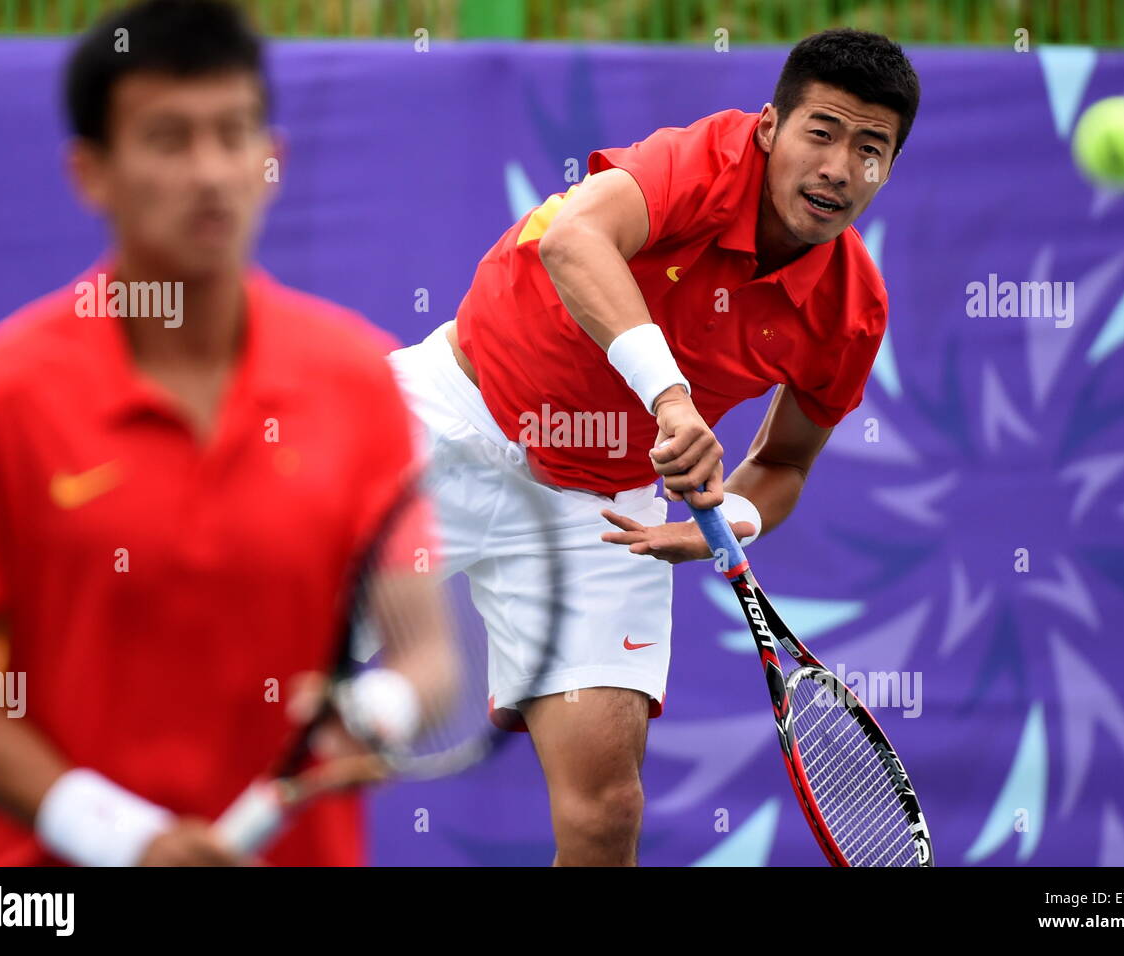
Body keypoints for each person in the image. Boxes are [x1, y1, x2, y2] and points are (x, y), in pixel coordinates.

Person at [0, 0, 447, 867]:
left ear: (270, 161)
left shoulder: (358, 378)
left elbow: (427, 653)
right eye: (170, 139)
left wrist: (381, 710)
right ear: (92, 172)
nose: (211, 172)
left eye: (234, 133)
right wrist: (119, 839)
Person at [388, 28, 921, 865]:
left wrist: (725, 520)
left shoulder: (852, 309)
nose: (840, 169)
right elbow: (574, 240)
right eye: (821, 132)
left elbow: (784, 464)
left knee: (606, 813)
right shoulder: (700, 162)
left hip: (601, 514)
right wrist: (670, 397)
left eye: (871, 150)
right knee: (250, 678)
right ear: (769, 128)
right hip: (445, 422)